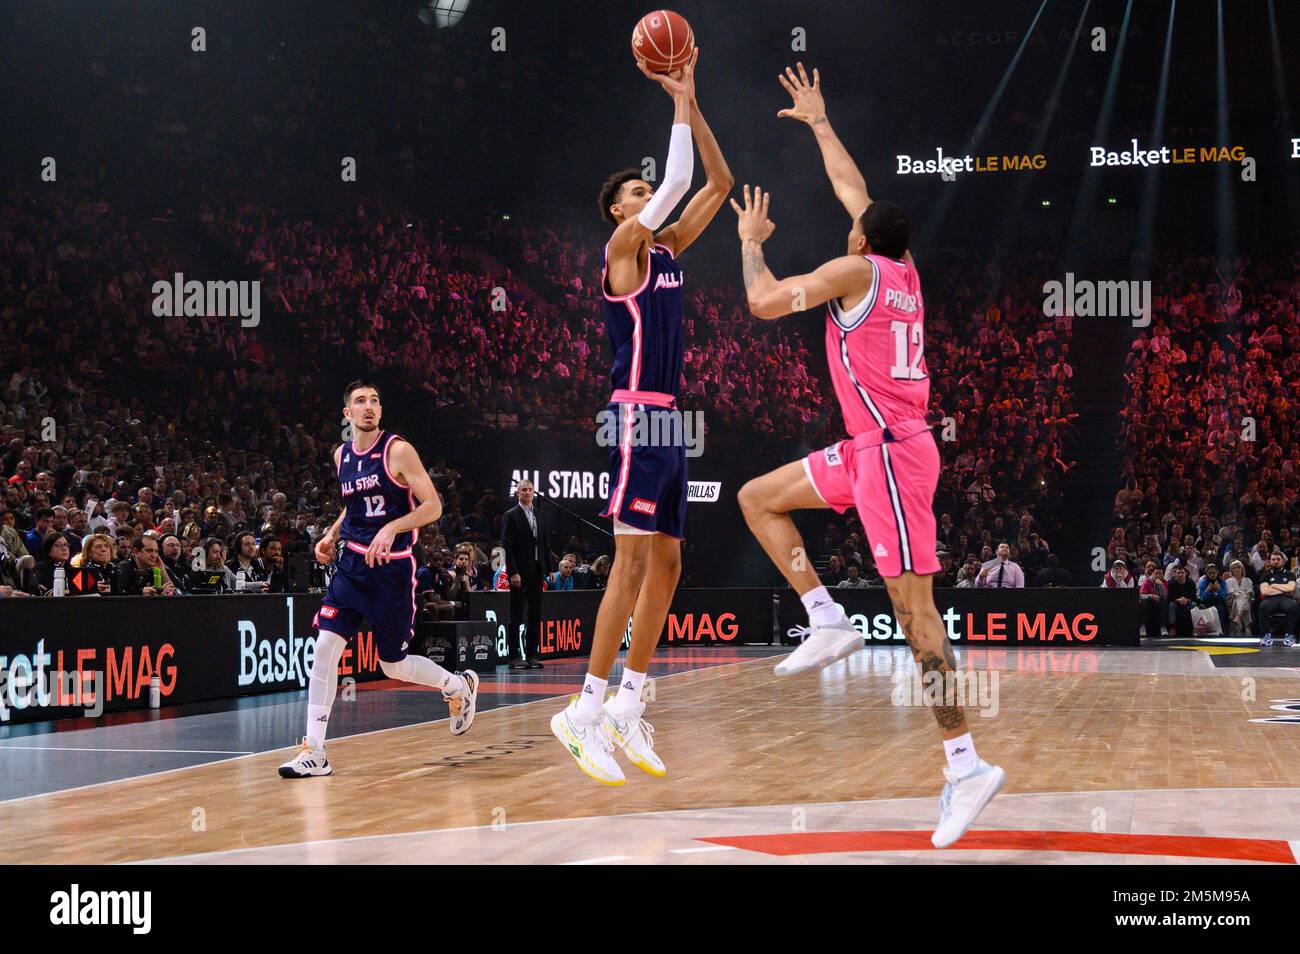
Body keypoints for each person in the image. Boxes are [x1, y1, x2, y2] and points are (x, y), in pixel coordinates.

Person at [731, 63, 1002, 849]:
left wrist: (751, 245)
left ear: (858, 243)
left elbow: (762, 301)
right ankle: (825, 618)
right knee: (755, 496)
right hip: (866, 450)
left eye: (853, 224)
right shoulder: (902, 268)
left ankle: (965, 764)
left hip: (891, 456)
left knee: (916, 615)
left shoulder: (854, 270)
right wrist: (819, 122)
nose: (848, 222)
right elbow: (857, 189)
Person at [551, 48, 731, 787]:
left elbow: (716, 181)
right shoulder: (624, 247)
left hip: (672, 421)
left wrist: (695, 104)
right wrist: (675, 100)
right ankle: (583, 712)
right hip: (635, 417)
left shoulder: (672, 248)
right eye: (637, 188)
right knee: (629, 560)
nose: (648, 190)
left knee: (670, 562)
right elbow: (683, 177)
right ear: (621, 210)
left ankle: (629, 701)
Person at [280, 380, 480, 779]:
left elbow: (433, 506)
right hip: (352, 567)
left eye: (374, 400)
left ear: (380, 410)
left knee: (393, 665)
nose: (368, 406)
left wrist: (393, 527)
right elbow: (352, 507)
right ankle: (314, 750)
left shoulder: (398, 450)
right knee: (324, 648)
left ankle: (456, 686)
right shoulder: (341, 456)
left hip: (392, 570)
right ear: (347, 414)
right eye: (359, 401)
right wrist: (333, 533)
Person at [500, 479, 552, 669]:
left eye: (530, 490)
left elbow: (545, 544)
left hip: (537, 571)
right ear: (517, 493)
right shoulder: (511, 515)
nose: (527, 493)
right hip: (519, 572)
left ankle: (531, 655)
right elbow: (507, 546)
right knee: (516, 615)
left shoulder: (540, 515)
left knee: (535, 615)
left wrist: (550, 569)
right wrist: (512, 571)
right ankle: (514, 657)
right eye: (523, 490)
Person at [1257, 550, 1299, 648]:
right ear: (1270, 561)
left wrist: (1274, 585)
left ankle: (1290, 635)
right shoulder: (1265, 575)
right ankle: (1266, 635)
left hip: (1285, 599)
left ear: (1282, 561)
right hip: (1270, 600)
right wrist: (1284, 589)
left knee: (1294, 606)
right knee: (1263, 606)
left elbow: (1291, 588)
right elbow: (1264, 591)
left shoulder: (1290, 574)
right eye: (1273, 559)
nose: (1276, 561)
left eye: (1278, 559)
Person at [1225, 560, 1254, 635]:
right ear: (1232, 570)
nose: (1236, 569)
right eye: (1234, 568)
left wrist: (1241, 594)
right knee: (1241, 598)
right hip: (1232, 601)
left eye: (1238, 567)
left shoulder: (1248, 580)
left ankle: (1238, 618)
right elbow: (1230, 593)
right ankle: (1247, 626)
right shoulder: (1228, 581)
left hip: (1246, 601)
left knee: (1243, 598)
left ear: (1242, 569)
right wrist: (1241, 594)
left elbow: (1250, 592)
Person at [1138, 561, 1166, 638]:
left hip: (1159, 603)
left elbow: (1164, 596)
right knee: (1145, 602)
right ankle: (1143, 627)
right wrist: (1151, 596)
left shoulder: (1164, 582)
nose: (1158, 575)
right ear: (1153, 573)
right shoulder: (1147, 581)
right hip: (1149, 602)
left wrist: (1161, 585)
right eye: (1156, 573)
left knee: (1164, 602)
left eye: (1160, 573)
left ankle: (1163, 627)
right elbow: (1141, 595)